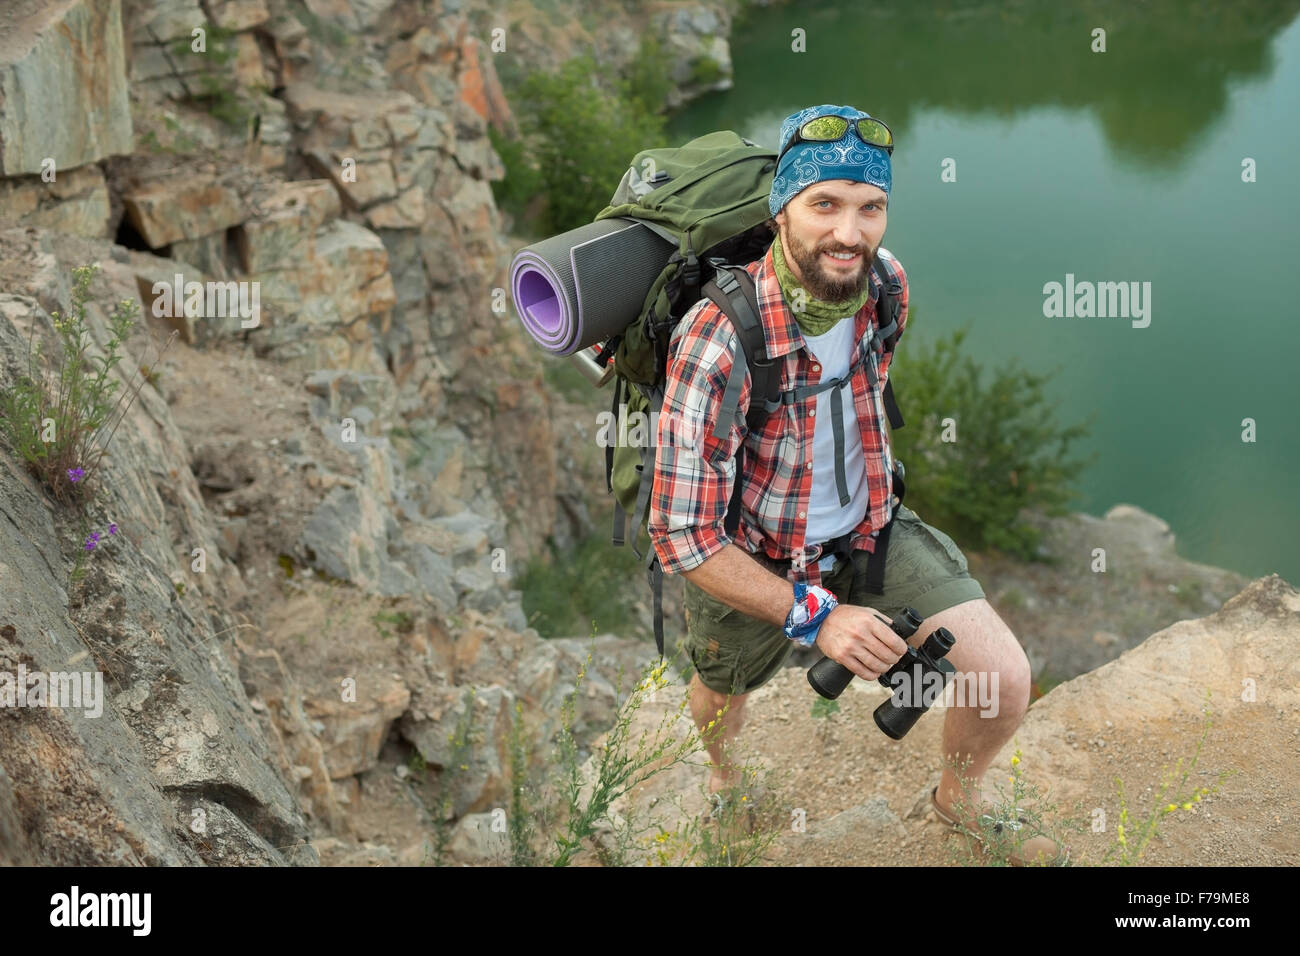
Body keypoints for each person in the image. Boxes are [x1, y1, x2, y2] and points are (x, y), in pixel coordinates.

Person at [646, 104, 1066, 865]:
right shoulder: (716, 339)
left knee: (1003, 681)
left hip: (866, 531)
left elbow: (868, 397)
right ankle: (722, 776)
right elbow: (682, 536)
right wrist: (817, 617)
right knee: (722, 691)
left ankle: (955, 804)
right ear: (781, 212)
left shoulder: (885, 285)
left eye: (871, 207)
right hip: (751, 550)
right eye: (825, 204)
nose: (850, 232)